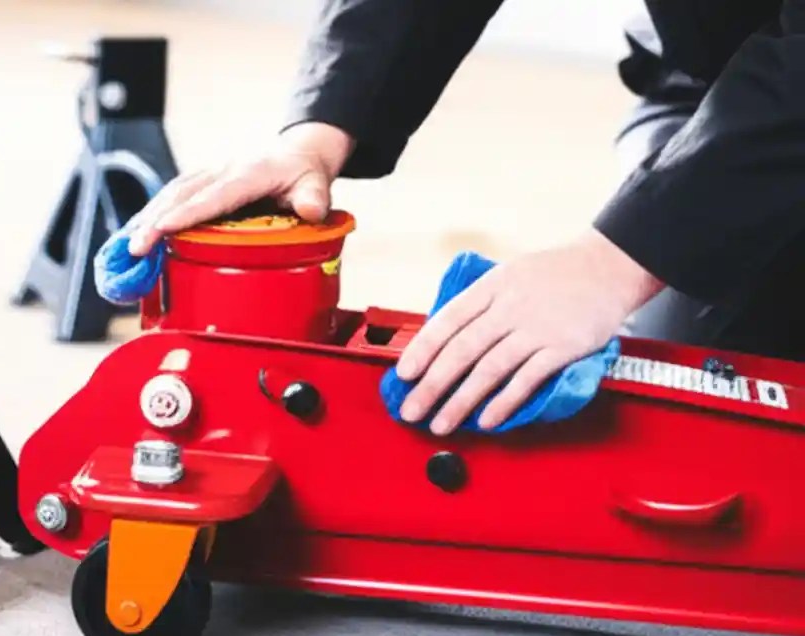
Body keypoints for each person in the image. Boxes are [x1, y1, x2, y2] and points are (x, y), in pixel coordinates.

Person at [122, 0, 805, 436]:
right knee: (685, 413)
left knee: (739, 431)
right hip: (708, 81)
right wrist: (318, 131)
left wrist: (619, 258)